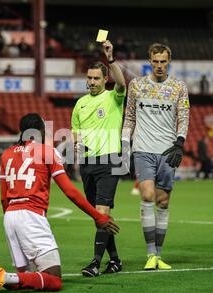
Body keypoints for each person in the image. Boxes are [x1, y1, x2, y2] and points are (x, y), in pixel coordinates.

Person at [0, 113, 119, 293]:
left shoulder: (7, 154)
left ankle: (5, 278)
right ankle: (2, 277)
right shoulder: (47, 152)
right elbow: (70, 192)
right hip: (31, 217)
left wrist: (12, 223)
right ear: (41, 131)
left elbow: (4, 197)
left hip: (10, 217)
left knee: (27, 277)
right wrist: (98, 216)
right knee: (54, 280)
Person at [121, 43, 190, 270]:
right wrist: (124, 142)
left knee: (163, 201)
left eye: (163, 61)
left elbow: (184, 116)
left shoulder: (178, 87)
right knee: (148, 194)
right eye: (155, 61)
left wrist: (180, 142)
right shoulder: (137, 85)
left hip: (167, 150)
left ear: (168, 61)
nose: (159, 65)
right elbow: (129, 116)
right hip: (143, 149)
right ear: (149, 61)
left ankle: (158, 255)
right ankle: (150, 253)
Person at [71, 40, 126, 277]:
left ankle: (94, 262)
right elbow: (75, 131)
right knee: (98, 217)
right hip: (87, 163)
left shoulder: (114, 98)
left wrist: (110, 58)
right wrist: (76, 144)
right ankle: (114, 260)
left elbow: (123, 83)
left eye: (96, 78)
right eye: (89, 78)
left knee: (102, 211)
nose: (91, 82)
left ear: (105, 80)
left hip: (110, 160)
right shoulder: (80, 104)